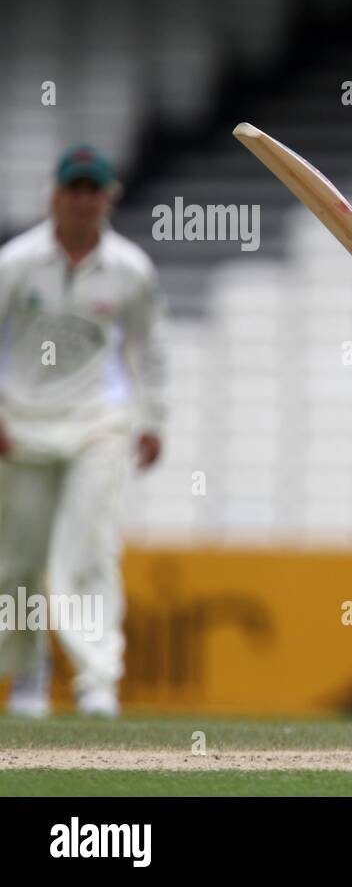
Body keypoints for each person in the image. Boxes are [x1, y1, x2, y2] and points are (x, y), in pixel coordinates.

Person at [0, 144, 167, 718]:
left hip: (99, 424)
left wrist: (152, 421)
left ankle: (96, 682)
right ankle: (26, 676)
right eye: (73, 188)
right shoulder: (17, 262)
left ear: (107, 198)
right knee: (15, 562)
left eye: (92, 189)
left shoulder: (129, 269)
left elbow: (148, 351)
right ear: (55, 195)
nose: (82, 200)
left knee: (90, 551)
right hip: (20, 426)